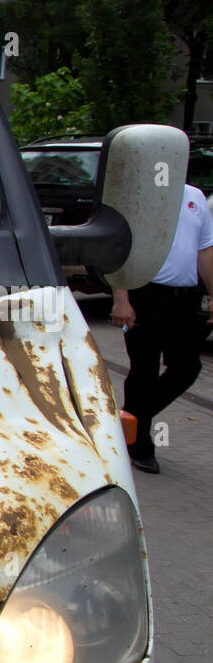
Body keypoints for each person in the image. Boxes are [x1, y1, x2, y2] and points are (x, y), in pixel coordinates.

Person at [110, 181, 213, 474]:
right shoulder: (135, 194)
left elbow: (205, 251)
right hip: (144, 295)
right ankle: (140, 445)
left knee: (187, 368)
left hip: (184, 298)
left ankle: (128, 422)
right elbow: (117, 250)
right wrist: (121, 299)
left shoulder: (195, 197)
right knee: (144, 371)